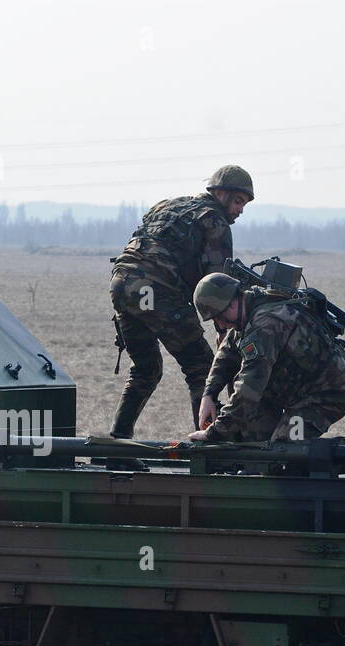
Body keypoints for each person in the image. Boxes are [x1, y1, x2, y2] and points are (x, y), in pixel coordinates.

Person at [108, 166, 254, 446]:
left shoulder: (168, 205)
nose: (240, 211)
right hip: (158, 291)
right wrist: (226, 331)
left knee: (146, 369)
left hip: (122, 284)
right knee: (201, 369)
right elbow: (217, 285)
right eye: (238, 202)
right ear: (220, 194)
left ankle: (117, 445)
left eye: (244, 205)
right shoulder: (214, 222)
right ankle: (208, 448)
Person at [187, 273, 345, 443]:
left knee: (284, 450)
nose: (221, 325)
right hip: (295, 388)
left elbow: (249, 388)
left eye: (220, 317)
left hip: (327, 394)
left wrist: (216, 432)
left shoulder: (266, 324)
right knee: (254, 440)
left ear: (232, 303)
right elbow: (227, 352)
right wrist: (209, 394)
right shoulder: (250, 304)